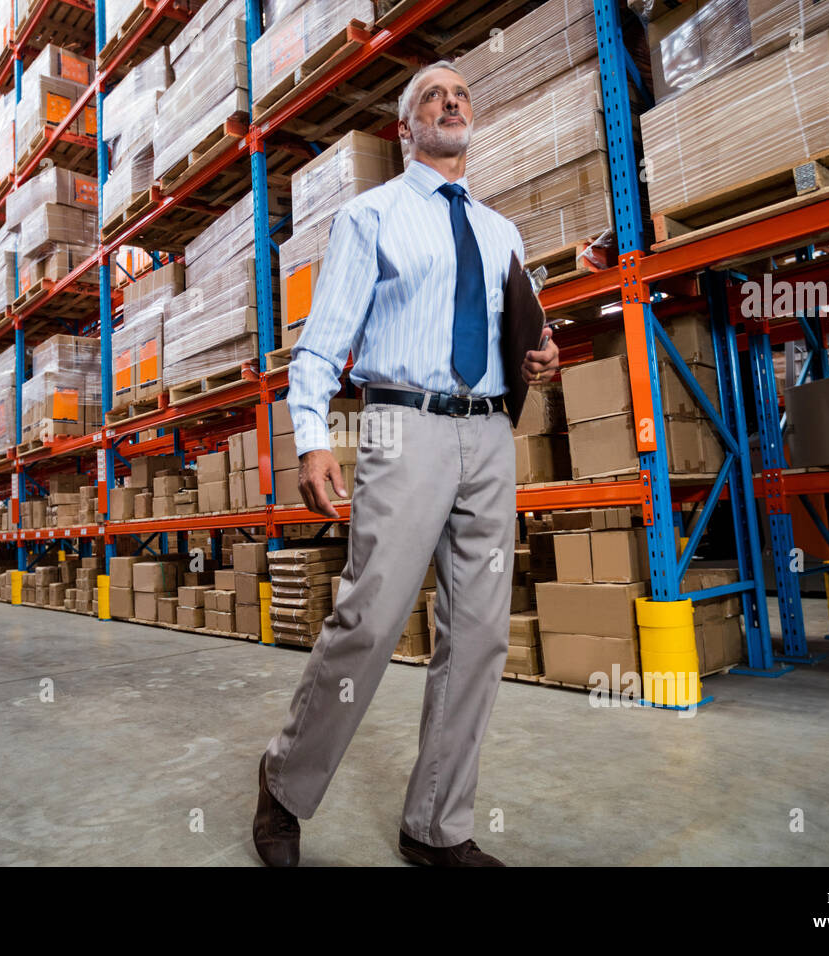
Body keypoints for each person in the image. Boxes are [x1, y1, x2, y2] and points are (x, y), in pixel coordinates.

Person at [252, 60, 559, 867]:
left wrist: (536, 360)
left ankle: (436, 827)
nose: (451, 100)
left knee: (481, 634)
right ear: (406, 128)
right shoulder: (370, 217)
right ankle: (284, 784)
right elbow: (323, 338)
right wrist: (311, 434)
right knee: (370, 618)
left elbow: (509, 336)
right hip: (400, 426)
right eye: (432, 94)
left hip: (489, 434)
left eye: (460, 93)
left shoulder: (503, 235)